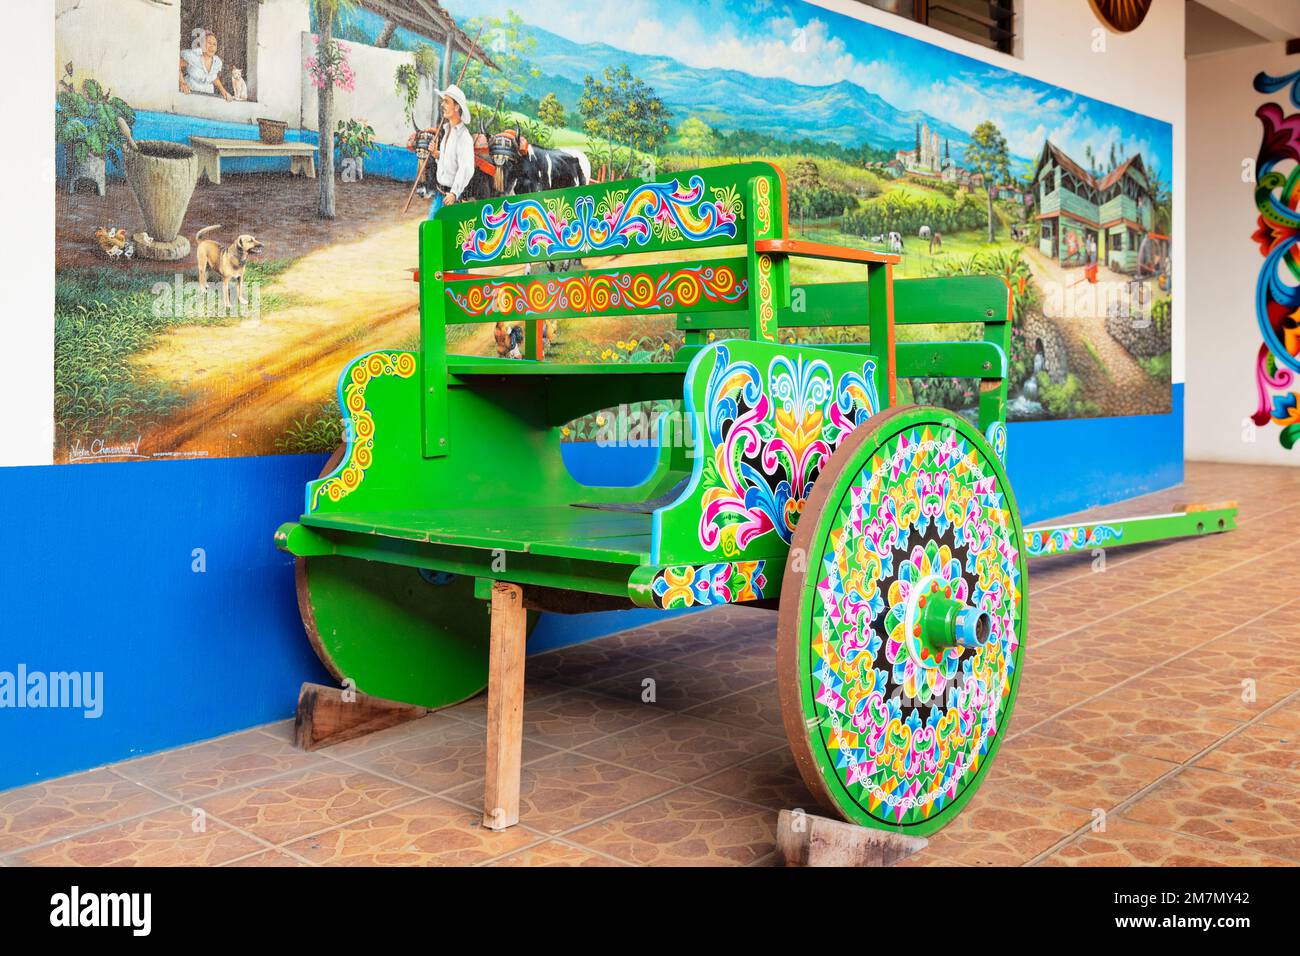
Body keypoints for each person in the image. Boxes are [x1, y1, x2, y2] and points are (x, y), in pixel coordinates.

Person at [426, 85, 475, 221]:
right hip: (440, 195)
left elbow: (466, 168)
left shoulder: (464, 137)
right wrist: (437, 154)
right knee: (432, 230)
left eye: (447, 101)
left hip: (452, 199)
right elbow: (449, 160)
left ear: (457, 107)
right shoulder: (447, 130)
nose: (443, 105)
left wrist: (454, 193)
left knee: (448, 236)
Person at [180, 29, 233, 101]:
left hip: (207, 96)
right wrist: (182, 83)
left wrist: (223, 91)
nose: (212, 47)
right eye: (209, 43)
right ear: (202, 44)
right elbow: (176, 66)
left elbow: (214, 77)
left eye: (214, 44)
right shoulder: (194, 57)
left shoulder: (216, 62)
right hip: (189, 94)